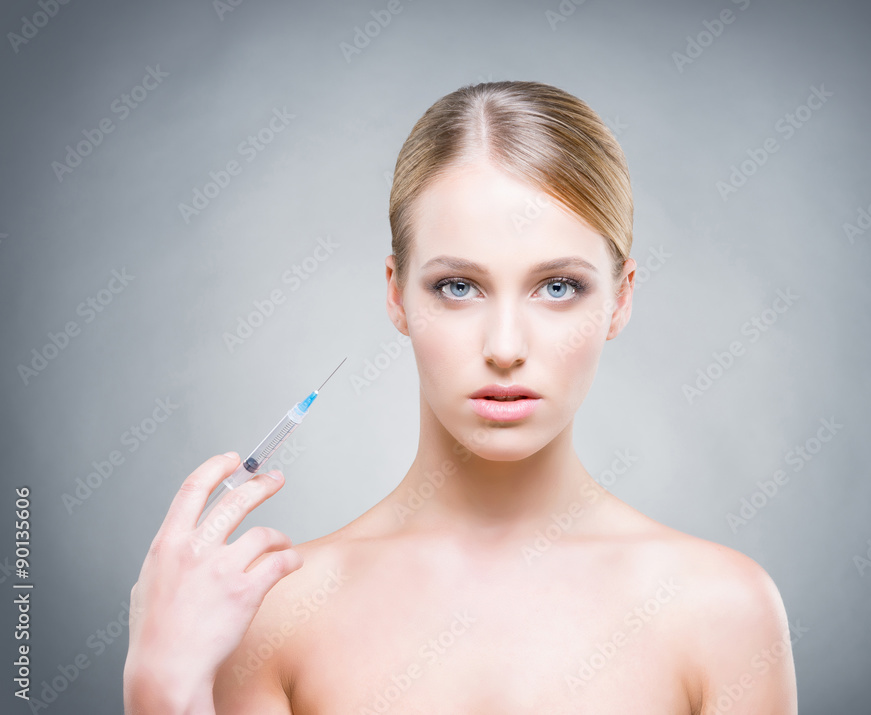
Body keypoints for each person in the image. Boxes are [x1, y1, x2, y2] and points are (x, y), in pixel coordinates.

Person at [124, 80, 798, 714]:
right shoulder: (275, 613)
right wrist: (162, 688)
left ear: (620, 300)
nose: (505, 346)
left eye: (558, 286)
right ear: (397, 293)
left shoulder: (724, 611)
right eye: (458, 286)